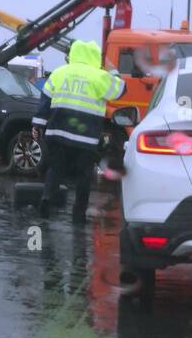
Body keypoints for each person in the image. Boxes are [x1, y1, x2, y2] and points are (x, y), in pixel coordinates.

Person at [31, 39, 125, 223]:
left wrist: (38, 125)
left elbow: (45, 102)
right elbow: (119, 90)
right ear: (94, 57)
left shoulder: (59, 73)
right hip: (86, 137)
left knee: (55, 170)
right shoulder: (99, 76)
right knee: (84, 176)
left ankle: (46, 199)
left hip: (57, 133)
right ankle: (78, 214)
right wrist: (113, 70)